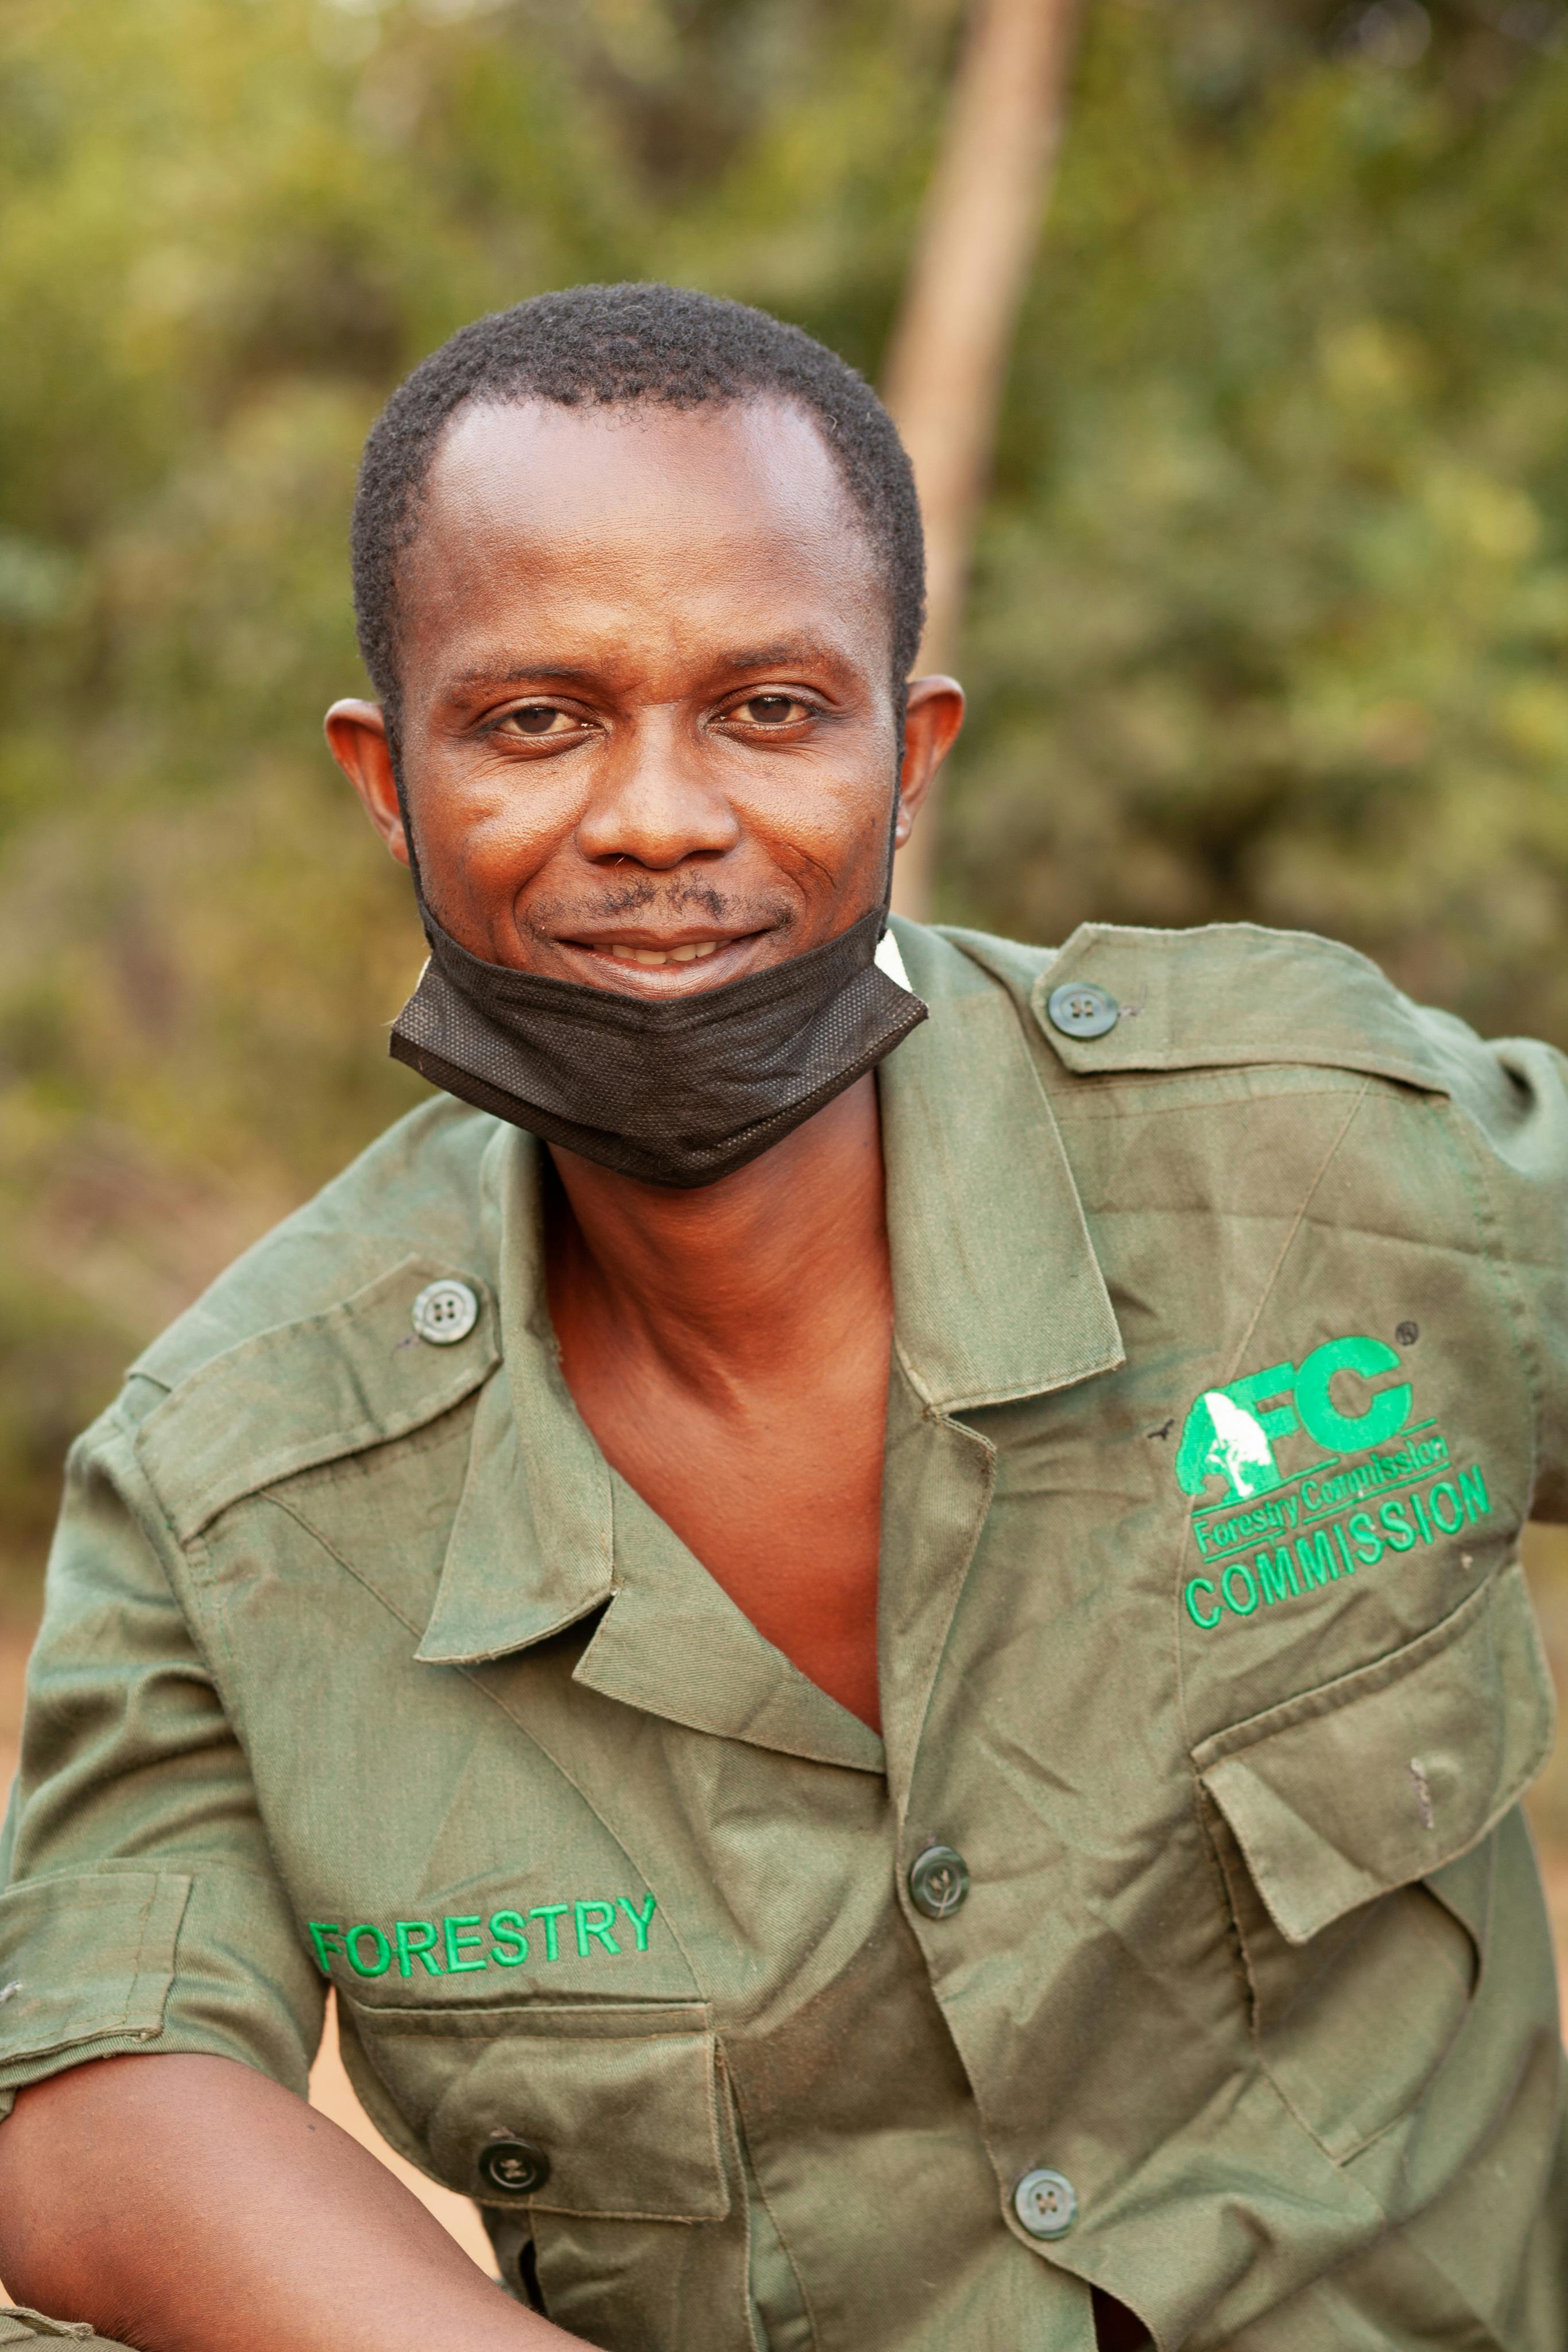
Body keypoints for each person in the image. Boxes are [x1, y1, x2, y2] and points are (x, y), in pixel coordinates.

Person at [0, 283, 1562, 2352]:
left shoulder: (1332, 1167)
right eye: (537, 720)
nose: (658, 819)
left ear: (904, 750)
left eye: (766, 709)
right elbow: (106, 2099)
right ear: (388, 779)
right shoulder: (239, 1480)